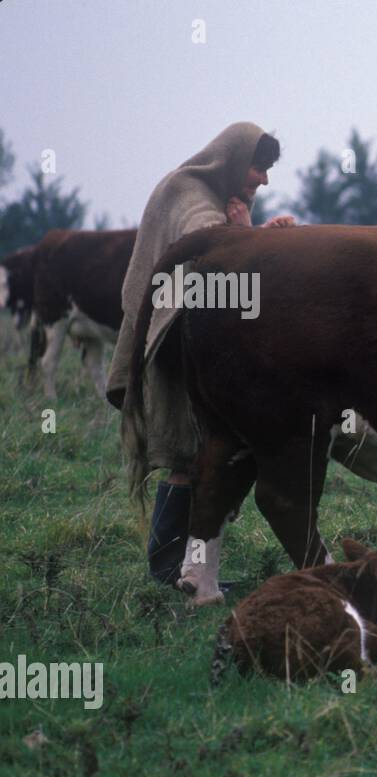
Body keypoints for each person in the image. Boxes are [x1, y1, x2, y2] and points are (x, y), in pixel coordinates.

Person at [106, 121, 295, 586]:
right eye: (258, 168)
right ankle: (168, 570)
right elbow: (206, 245)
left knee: (199, 456)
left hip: (188, 337)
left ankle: (182, 571)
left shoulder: (202, 188)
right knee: (191, 459)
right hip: (173, 343)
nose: (262, 180)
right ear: (233, 159)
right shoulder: (188, 191)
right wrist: (248, 234)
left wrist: (256, 234)